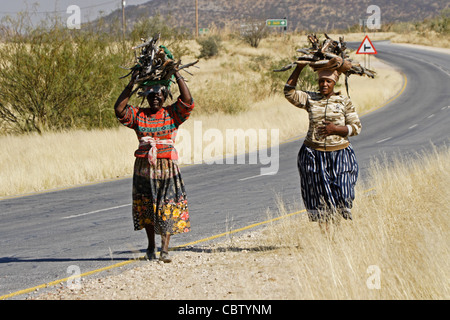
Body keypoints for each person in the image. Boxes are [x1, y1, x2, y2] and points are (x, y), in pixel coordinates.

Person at [114, 70, 193, 262]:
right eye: (151, 94)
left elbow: (188, 101)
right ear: (145, 96)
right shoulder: (139, 115)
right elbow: (119, 110)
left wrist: (176, 74)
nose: (155, 97)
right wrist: (132, 83)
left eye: (159, 94)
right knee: (147, 207)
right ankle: (151, 246)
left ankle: (164, 249)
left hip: (167, 168)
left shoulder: (172, 114)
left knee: (167, 207)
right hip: (144, 168)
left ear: (165, 96)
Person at [284, 62, 361, 231]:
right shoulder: (310, 99)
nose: (324, 84)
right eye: (321, 81)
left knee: (341, 192)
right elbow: (288, 92)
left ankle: (337, 229)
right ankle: (326, 236)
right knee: (319, 196)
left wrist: (336, 129)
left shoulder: (343, 102)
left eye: (328, 81)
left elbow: (356, 127)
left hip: (340, 154)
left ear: (335, 83)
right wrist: (299, 68)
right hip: (313, 154)